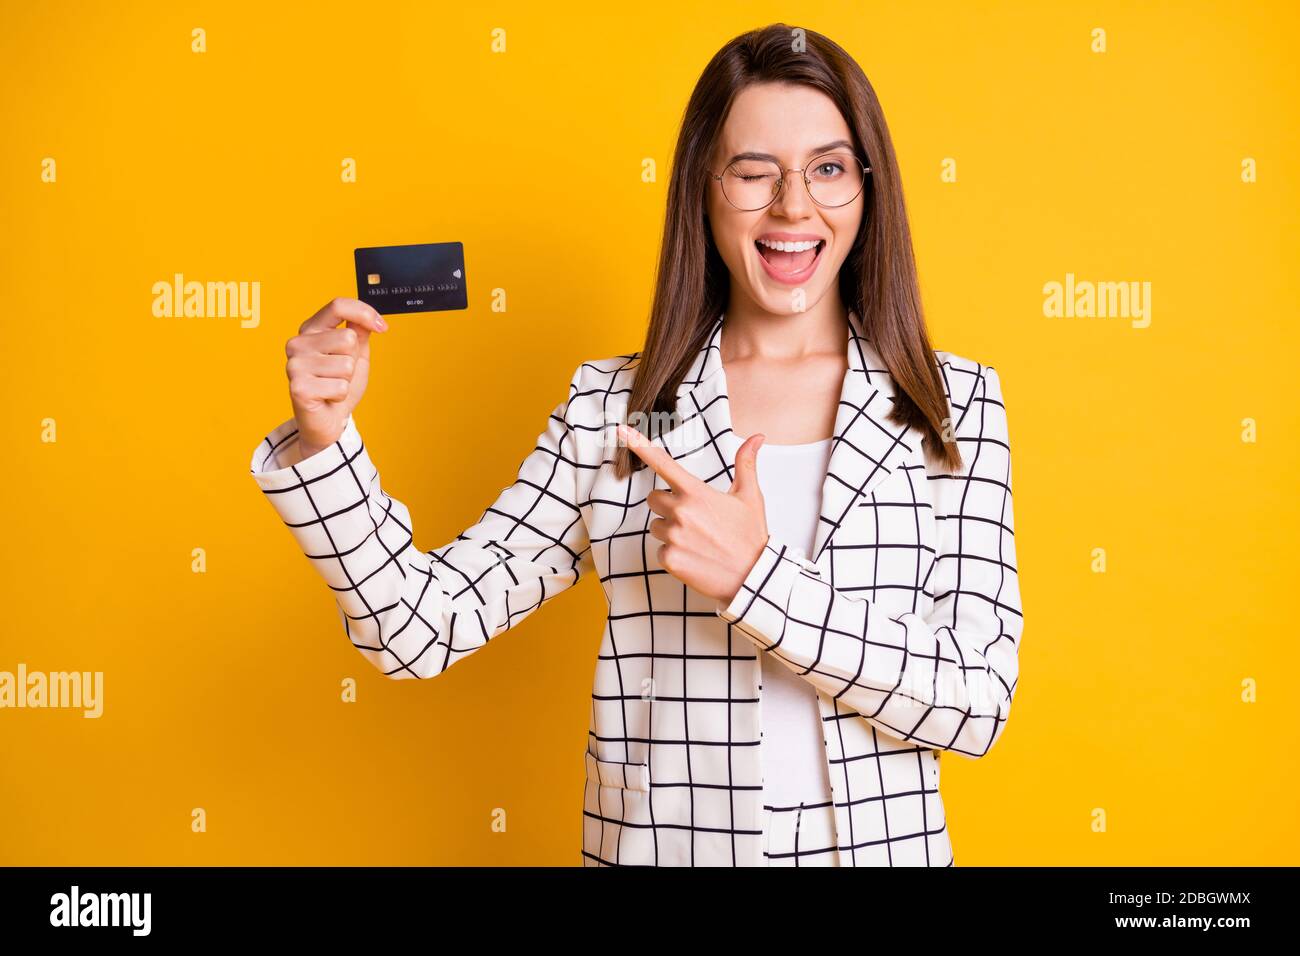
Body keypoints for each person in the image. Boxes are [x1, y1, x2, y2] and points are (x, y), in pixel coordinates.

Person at [249, 22, 1024, 867]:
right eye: (753, 171)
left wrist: (756, 578)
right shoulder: (616, 409)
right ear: (702, 187)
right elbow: (417, 628)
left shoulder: (950, 409)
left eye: (828, 169)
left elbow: (975, 703)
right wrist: (326, 442)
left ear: (868, 189)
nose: (793, 207)